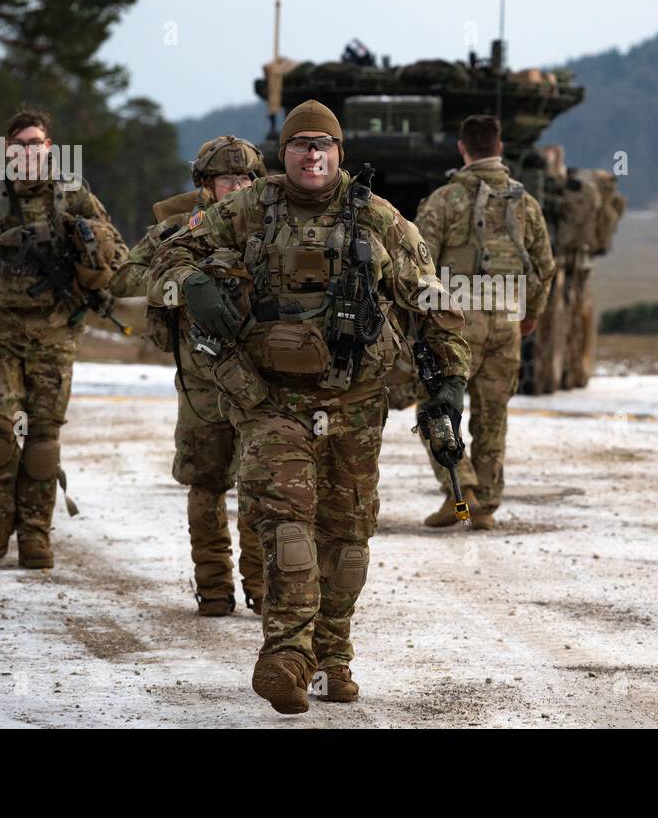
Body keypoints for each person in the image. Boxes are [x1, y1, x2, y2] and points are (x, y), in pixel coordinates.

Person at [148, 100, 469, 713]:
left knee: (347, 535)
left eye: (323, 145)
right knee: (286, 523)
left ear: (339, 154)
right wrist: (193, 285)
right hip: (271, 400)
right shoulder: (248, 210)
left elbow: (434, 302)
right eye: (300, 145)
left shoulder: (380, 220)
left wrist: (448, 382)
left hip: (355, 403)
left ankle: (333, 656)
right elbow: (164, 260)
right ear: (284, 154)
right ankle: (287, 655)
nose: (312, 155)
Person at [0, 107, 128, 568]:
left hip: (55, 337)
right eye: (19, 145)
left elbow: (117, 252)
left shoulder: (73, 196)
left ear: (49, 149)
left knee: (43, 439)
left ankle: (35, 532)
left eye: (37, 144)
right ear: (6, 150)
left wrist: (98, 266)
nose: (29, 152)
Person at [110, 136, 266, 615]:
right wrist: (185, 281)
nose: (236, 187)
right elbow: (126, 278)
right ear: (205, 183)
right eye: (226, 179)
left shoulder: (271, 223)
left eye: (245, 179)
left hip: (262, 374)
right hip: (202, 377)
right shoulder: (181, 227)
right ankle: (214, 587)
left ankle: (261, 586)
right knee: (207, 483)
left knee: (261, 484)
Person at [414, 115, 555, 529]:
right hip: (507, 317)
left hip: (458, 321)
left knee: (435, 408)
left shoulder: (445, 199)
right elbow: (544, 266)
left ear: (462, 149)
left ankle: (463, 493)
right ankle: (486, 506)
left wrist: (424, 317)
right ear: (500, 148)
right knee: (493, 413)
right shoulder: (525, 204)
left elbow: (419, 262)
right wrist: (531, 313)